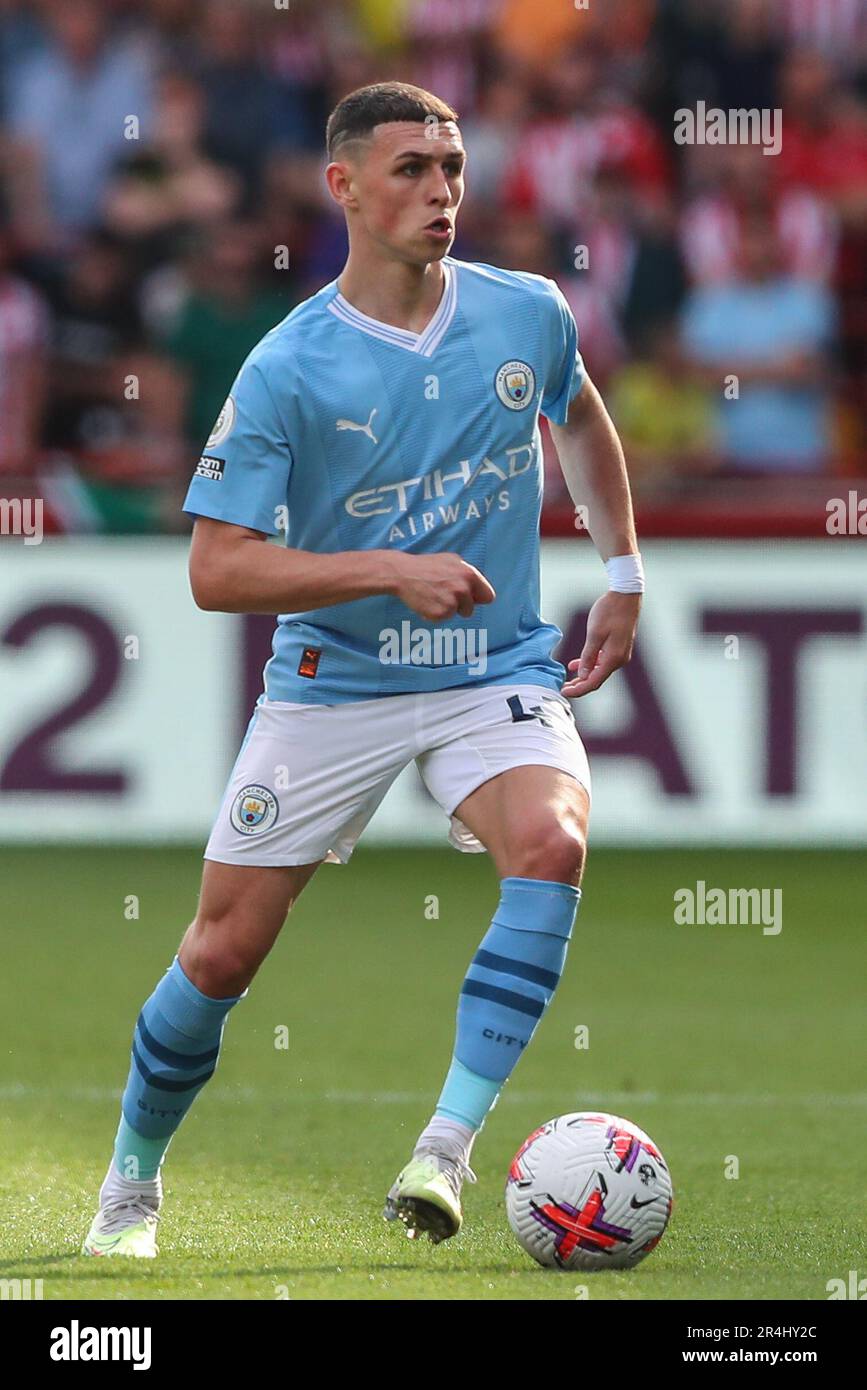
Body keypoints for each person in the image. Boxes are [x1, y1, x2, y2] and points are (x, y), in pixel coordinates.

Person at [82, 81, 643, 1258]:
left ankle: (443, 1149)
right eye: (411, 171)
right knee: (220, 951)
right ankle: (132, 1179)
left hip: (492, 665)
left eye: (452, 169)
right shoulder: (288, 366)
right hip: (334, 685)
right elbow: (217, 570)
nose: (441, 191)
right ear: (342, 188)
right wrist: (386, 568)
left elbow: (579, 419)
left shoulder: (527, 312)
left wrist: (625, 569)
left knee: (552, 844)